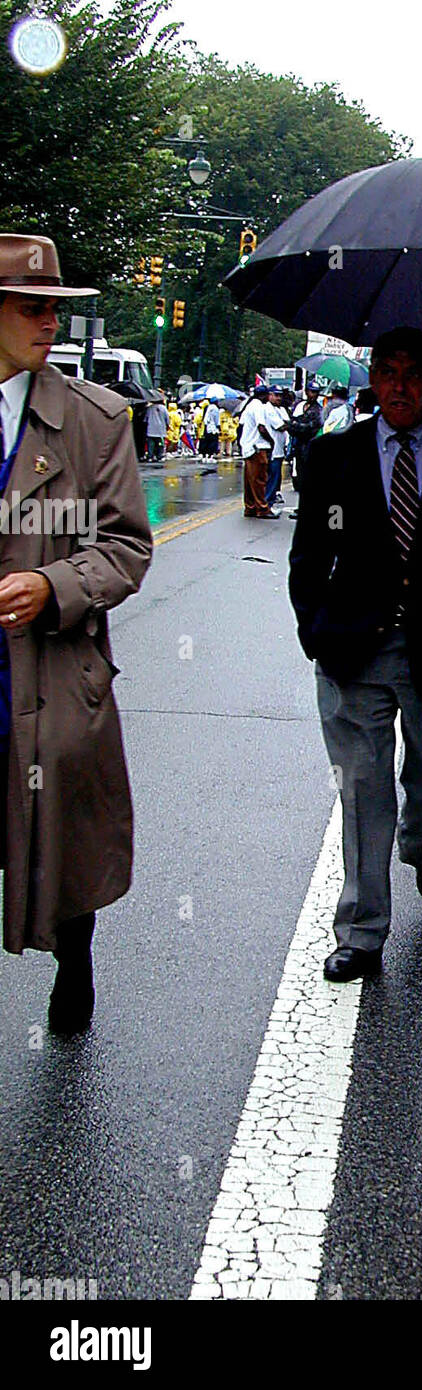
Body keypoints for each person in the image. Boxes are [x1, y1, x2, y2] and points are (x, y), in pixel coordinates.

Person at [289, 326, 422, 983]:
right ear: (373, 379)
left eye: (414, 374)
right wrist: (315, 633)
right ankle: (361, 930)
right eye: (388, 371)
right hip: (355, 649)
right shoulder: (334, 455)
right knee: (361, 788)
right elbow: (308, 556)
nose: (400, 386)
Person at [0, 233, 153, 1032]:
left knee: (62, 840)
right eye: (31, 308)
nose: (47, 324)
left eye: (55, 310)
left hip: (53, 673)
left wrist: (53, 585)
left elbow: (127, 545)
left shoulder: (95, 419)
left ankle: (74, 949)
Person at [237, 384, 276, 519]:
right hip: (257, 447)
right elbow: (261, 428)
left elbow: (241, 426)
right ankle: (262, 508)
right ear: (265, 395)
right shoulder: (259, 406)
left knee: (250, 481)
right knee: (260, 480)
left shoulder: (249, 406)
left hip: (248, 447)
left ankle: (250, 507)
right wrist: (271, 441)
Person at [264, 386, 288, 507]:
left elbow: (287, 423)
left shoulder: (281, 409)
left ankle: (271, 500)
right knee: (272, 477)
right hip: (273, 449)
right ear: (270, 395)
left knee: (276, 477)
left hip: (280, 448)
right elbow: (281, 426)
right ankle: (267, 503)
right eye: (276, 395)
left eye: (280, 395)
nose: (279, 398)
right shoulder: (268, 409)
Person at [145, 395, 168, 463]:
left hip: (151, 429)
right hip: (161, 429)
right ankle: (159, 456)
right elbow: (167, 418)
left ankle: (150, 456)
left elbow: (146, 418)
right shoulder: (164, 408)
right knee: (160, 444)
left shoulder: (149, 408)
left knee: (151, 444)